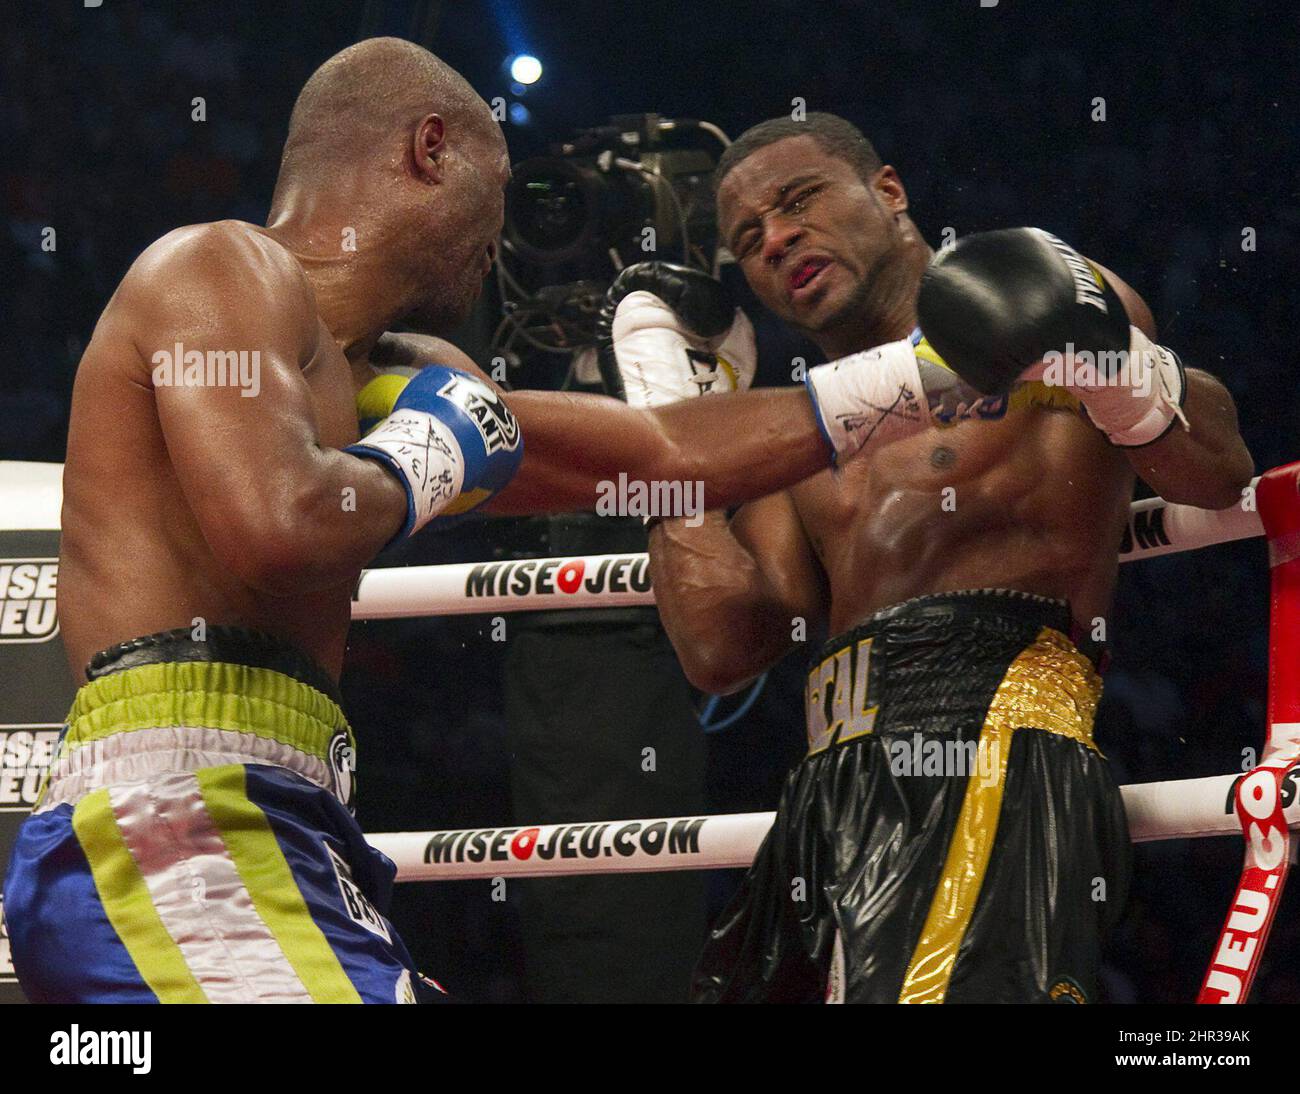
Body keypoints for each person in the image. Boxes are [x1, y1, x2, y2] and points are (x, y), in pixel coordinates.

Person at [1, 41, 936, 1004]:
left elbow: (660, 456)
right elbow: (279, 529)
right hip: (176, 829)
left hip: (287, 829)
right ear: (431, 149)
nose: (498, 236)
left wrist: (931, 372)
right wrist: (434, 444)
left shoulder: (384, 377)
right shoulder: (216, 267)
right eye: (495, 189)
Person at [639, 113, 1254, 1003]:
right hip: (822, 795)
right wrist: (669, 423)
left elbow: (1219, 466)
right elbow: (721, 649)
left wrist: (1121, 372)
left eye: (797, 201)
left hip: (988, 747)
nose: (776, 239)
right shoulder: (790, 431)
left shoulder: (1028, 302)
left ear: (888, 192)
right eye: (747, 240)